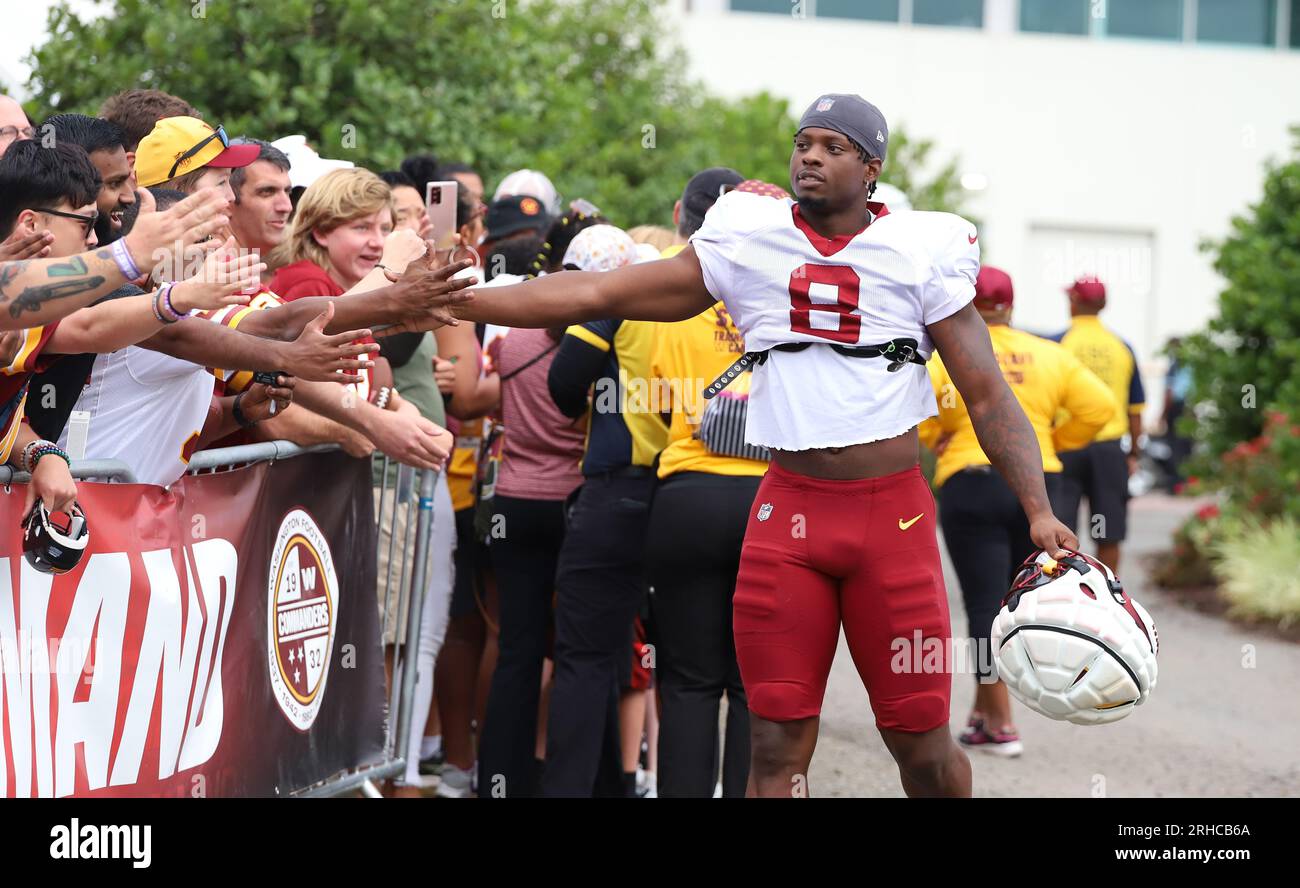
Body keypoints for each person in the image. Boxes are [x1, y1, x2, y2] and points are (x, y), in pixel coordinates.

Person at [450, 92, 1077, 798]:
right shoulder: (750, 238)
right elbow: (592, 293)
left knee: (923, 745)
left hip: (891, 517)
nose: (810, 154)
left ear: (871, 168)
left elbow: (988, 395)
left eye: (833, 146)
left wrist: (1039, 509)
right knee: (774, 747)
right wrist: (457, 300)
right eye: (803, 142)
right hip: (788, 512)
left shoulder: (922, 250)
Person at [918, 265, 1114, 757]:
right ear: (1012, 305)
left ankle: (1000, 721)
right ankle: (986, 716)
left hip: (973, 481)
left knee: (983, 604)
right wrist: (1056, 444)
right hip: (1040, 485)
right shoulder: (1051, 355)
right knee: (1020, 602)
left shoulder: (949, 354)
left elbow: (919, 408)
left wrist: (937, 439)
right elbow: (1101, 407)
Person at [645, 174, 771, 800]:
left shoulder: (674, 279)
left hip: (688, 492)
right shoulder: (787, 282)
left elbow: (657, 392)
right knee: (756, 685)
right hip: (772, 505)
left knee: (688, 683)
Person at [1046, 276, 1145, 574]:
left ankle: (1058, 594)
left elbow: (1044, 399)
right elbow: (1135, 410)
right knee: (1108, 529)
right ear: (1104, 305)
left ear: (1073, 302)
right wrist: (1133, 454)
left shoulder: (1057, 344)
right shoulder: (1122, 346)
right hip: (1109, 449)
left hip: (1066, 445)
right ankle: (1110, 594)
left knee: (1060, 530)